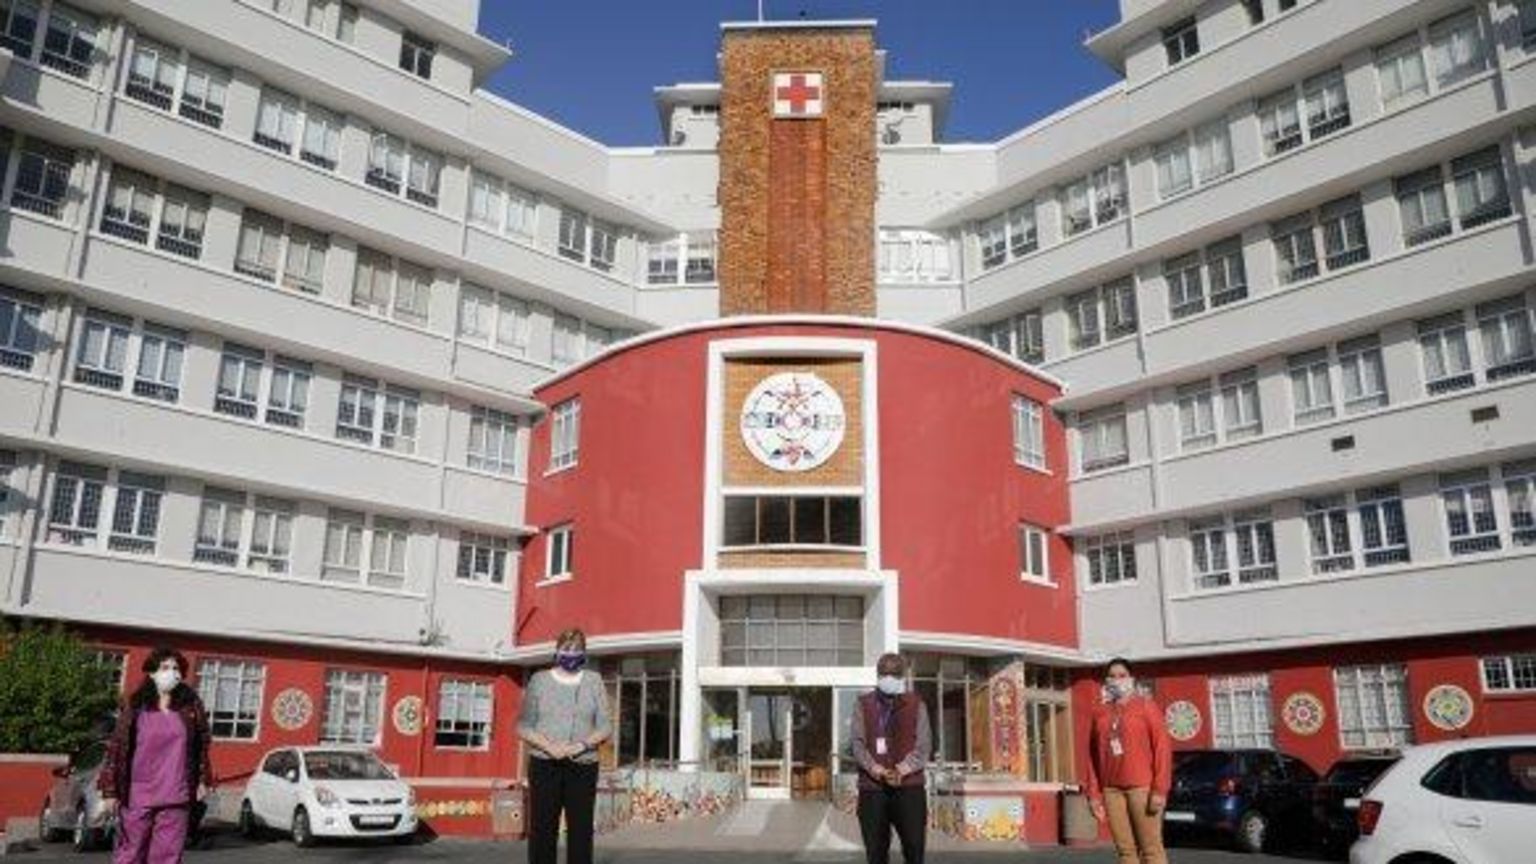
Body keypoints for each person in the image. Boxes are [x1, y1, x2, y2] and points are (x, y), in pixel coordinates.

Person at [97, 647, 212, 864]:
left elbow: (202, 745)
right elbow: (117, 749)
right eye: (165, 667)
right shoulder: (136, 707)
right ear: (151, 673)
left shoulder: (190, 707)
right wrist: (109, 791)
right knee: (130, 855)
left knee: (168, 858)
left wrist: (203, 780)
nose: (172, 672)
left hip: (176, 794)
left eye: (176, 668)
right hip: (137, 794)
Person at [517, 628, 611, 864]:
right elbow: (523, 726)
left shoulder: (593, 680)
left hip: (583, 766)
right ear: (557, 651)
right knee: (542, 830)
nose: (572, 653)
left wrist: (581, 745)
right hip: (544, 765)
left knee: (580, 832)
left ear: (584, 652)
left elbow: (605, 726)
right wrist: (549, 746)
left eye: (578, 649)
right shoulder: (539, 680)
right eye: (567, 648)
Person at [1085, 657, 1171, 864]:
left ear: (1132, 679)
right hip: (1112, 791)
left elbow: (1162, 748)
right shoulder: (1100, 712)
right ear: (1106, 681)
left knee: (1151, 850)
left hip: (1142, 788)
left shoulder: (1146, 707)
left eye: (1122, 676)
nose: (1117, 680)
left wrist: (1160, 789)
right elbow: (1092, 756)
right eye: (1112, 676)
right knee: (1125, 852)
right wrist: (1094, 795)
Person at [849, 652, 931, 864]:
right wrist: (878, 770)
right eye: (884, 673)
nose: (889, 678)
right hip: (873, 789)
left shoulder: (916, 704)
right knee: (875, 852)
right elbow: (857, 745)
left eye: (894, 673)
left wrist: (901, 770)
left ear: (902, 676)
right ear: (877, 675)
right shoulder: (863, 704)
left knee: (914, 848)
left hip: (909, 787)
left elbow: (924, 746)